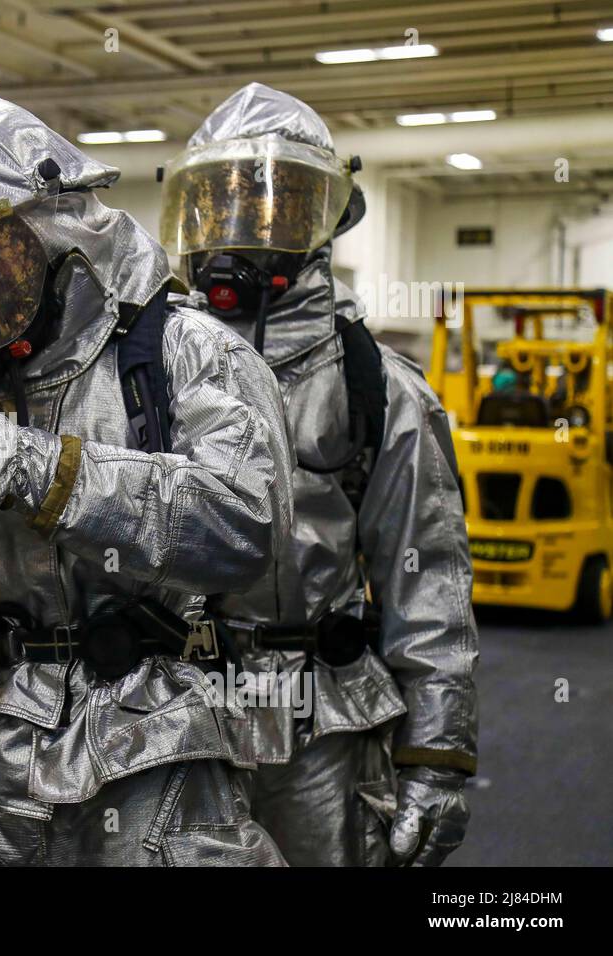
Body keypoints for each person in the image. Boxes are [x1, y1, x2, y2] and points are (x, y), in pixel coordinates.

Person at [0, 90, 294, 866]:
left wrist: (38, 469)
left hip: (149, 762)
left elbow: (248, 528)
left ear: (38, 231)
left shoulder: (186, 353)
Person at [158, 82, 478, 866]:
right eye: (219, 203)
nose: (239, 229)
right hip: (167, 708)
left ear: (322, 219)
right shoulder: (150, 368)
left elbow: (428, 582)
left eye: (272, 204)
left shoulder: (377, 387)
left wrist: (437, 761)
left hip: (317, 725)